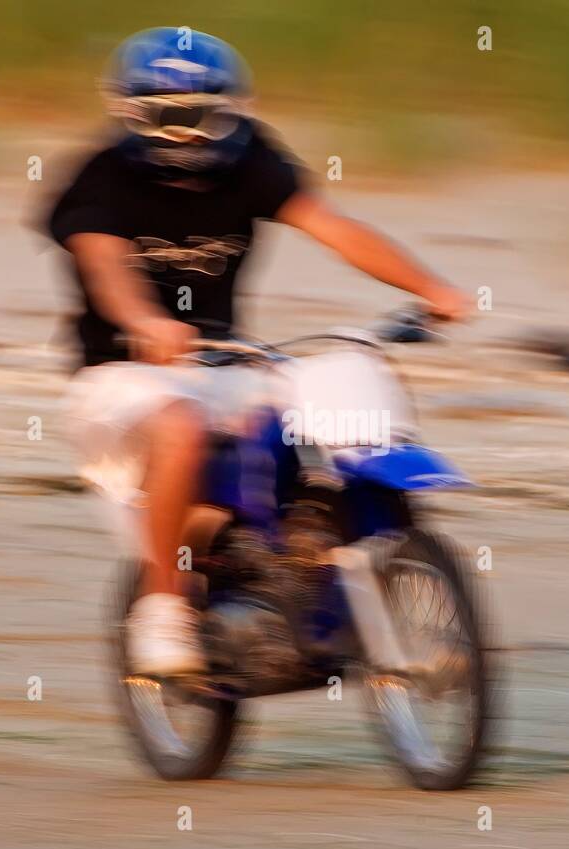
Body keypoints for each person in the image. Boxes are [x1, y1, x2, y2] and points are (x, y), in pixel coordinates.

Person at [49, 26, 469, 676]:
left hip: (224, 365)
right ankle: (162, 607)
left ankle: (314, 560)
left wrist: (429, 287)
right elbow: (106, 268)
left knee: (322, 405)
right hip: (120, 379)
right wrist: (147, 322)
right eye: (170, 116)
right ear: (133, 115)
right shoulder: (98, 177)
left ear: (231, 112)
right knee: (181, 426)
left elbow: (334, 228)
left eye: (205, 115)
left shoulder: (250, 160)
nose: (188, 132)